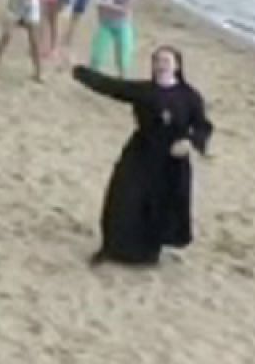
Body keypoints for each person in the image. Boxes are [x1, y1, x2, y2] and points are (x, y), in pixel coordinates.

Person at [73, 47, 213, 266]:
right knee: (122, 196)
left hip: (171, 161)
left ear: (177, 65)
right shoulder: (144, 90)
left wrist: (190, 142)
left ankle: (147, 253)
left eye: (166, 60)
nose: (161, 64)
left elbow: (203, 126)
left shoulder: (190, 96)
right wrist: (78, 71)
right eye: (157, 60)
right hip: (141, 152)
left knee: (158, 205)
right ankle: (110, 248)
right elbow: (111, 86)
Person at [88, 0, 142, 77]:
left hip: (122, 25)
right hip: (106, 24)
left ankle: (123, 77)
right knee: (97, 53)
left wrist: (107, 4)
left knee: (123, 56)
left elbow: (126, 9)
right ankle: (91, 75)